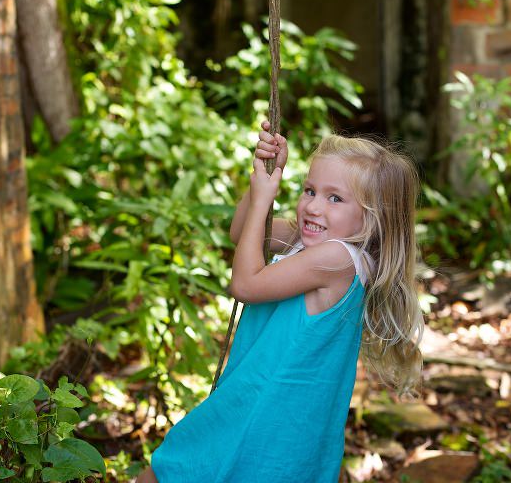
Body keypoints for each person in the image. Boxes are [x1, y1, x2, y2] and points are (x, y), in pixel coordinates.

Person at [136, 121, 424, 483]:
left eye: (335, 198)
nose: (314, 207)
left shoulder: (338, 259)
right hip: (253, 398)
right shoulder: (316, 243)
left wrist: (263, 200)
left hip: (270, 412)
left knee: (175, 469)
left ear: (373, 216)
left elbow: (244, 284)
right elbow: (242, 233)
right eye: (310, 190)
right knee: (177, 465)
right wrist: (266, 179)